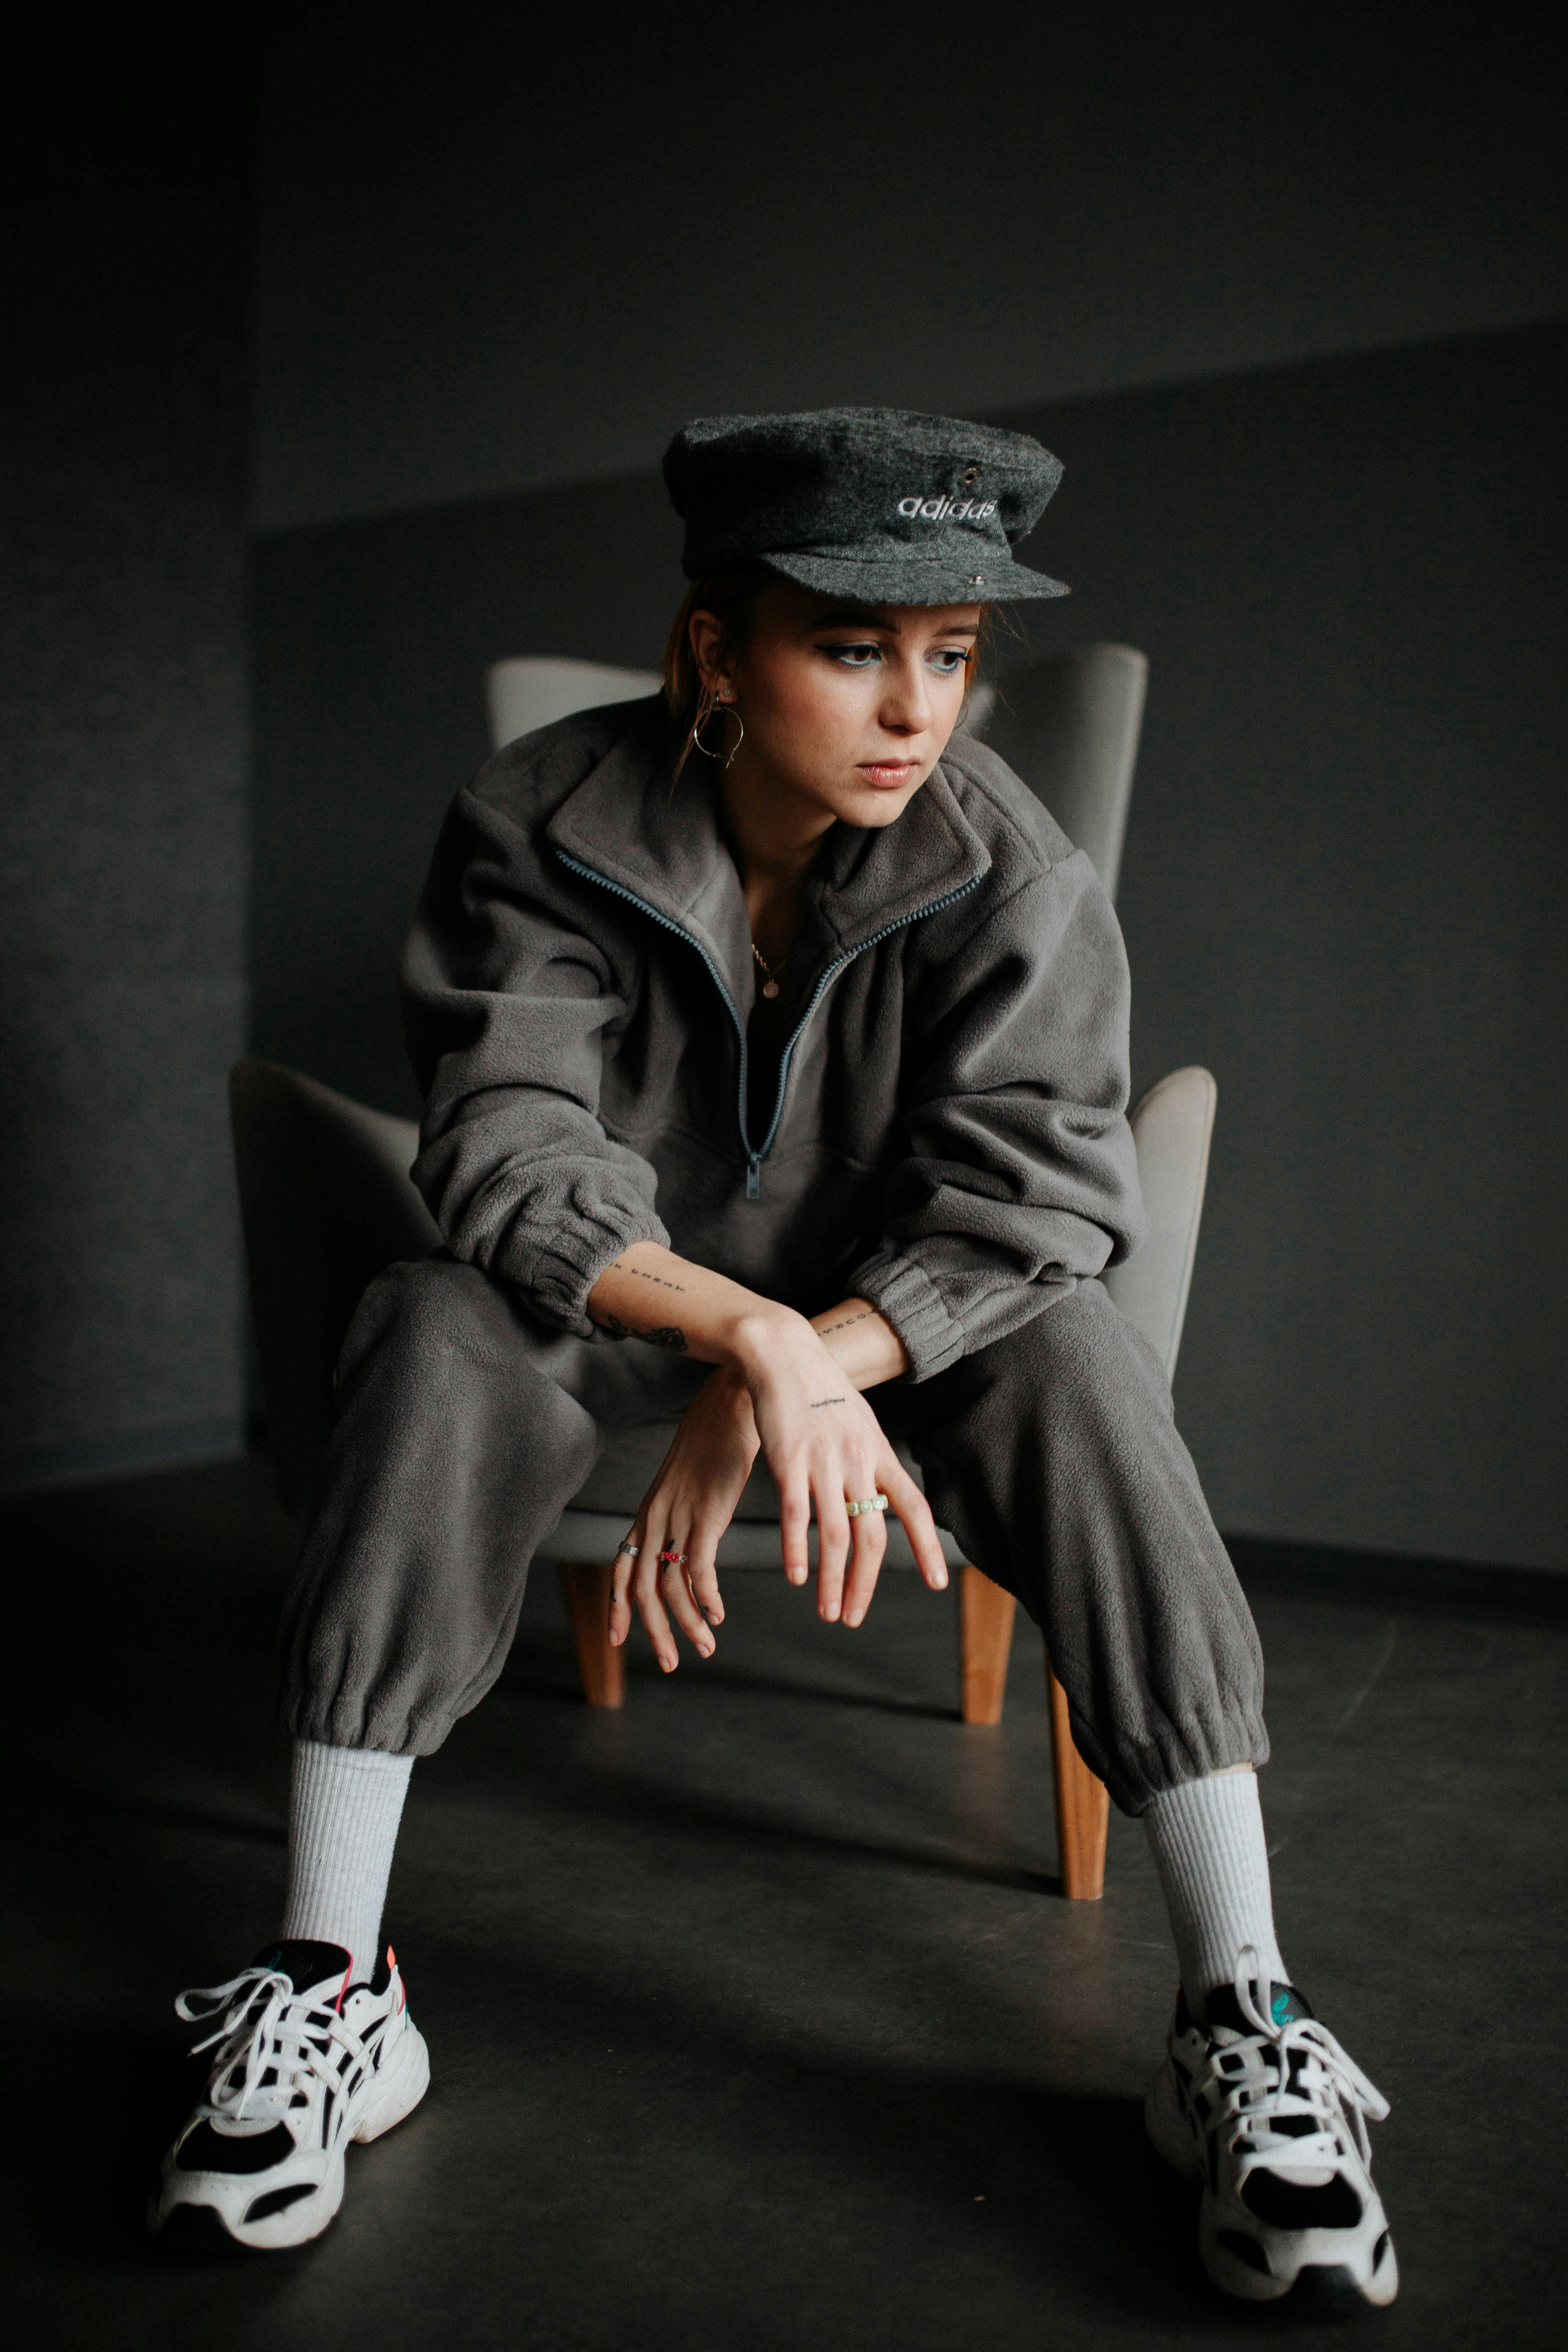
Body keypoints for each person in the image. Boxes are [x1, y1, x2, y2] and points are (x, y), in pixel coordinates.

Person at [152, 408, 1396, 2305]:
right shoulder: (543, 815)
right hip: (613, 1310)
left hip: (900, 1323)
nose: (916, 711)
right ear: (715, 651)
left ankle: (1246, 2015)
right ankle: (332, 1987)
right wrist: (738, 1345)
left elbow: (1032, 1201)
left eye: (953, 656)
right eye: (851, 644)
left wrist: (809, 1359)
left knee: (1075, 1361)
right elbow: (504, 1149)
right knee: (424, 1323)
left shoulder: (1015, 867)